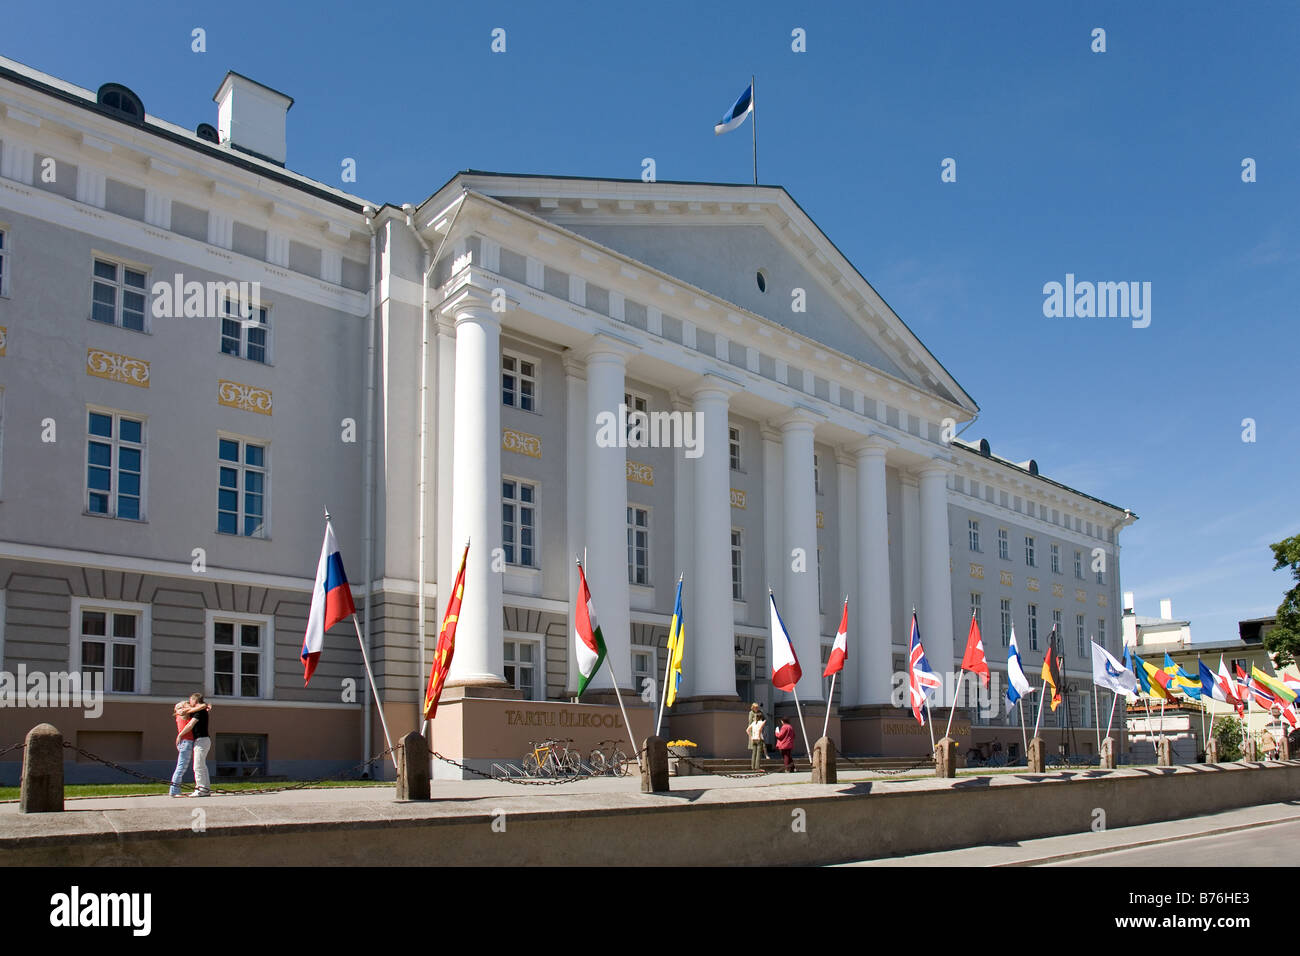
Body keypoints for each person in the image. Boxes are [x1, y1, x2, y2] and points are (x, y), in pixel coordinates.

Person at [177, 693, 212, 797]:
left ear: (195, 701)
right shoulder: (199, 710)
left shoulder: (200, 712)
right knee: (202, 766)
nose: (189, 703)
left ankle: (200, 790)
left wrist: (180, 735)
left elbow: (190, 724)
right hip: (202, 740)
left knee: (198, 766)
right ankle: (205, 789)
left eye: (190, 701)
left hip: (202, 740)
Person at [169, 701, 198, 797]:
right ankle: (174, 791)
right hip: (186, 742)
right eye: (186, 704)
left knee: (181, 767)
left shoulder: (183, 715)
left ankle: (175, 790)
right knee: (181, 767)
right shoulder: (181, 714)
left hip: (186, 742)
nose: (189, 705)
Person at [745, 703, 766, 771]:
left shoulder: (754, 723)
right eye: (755, 708)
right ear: (753, 708)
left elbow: (747, 729)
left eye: (757, 707)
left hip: (754, 737)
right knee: (758, 753)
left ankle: (753, 767)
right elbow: (763, 722)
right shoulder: (752, 714)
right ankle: (757, 767)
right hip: (757, 737)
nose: (757, 709)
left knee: (754, 753)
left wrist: (751, 736)